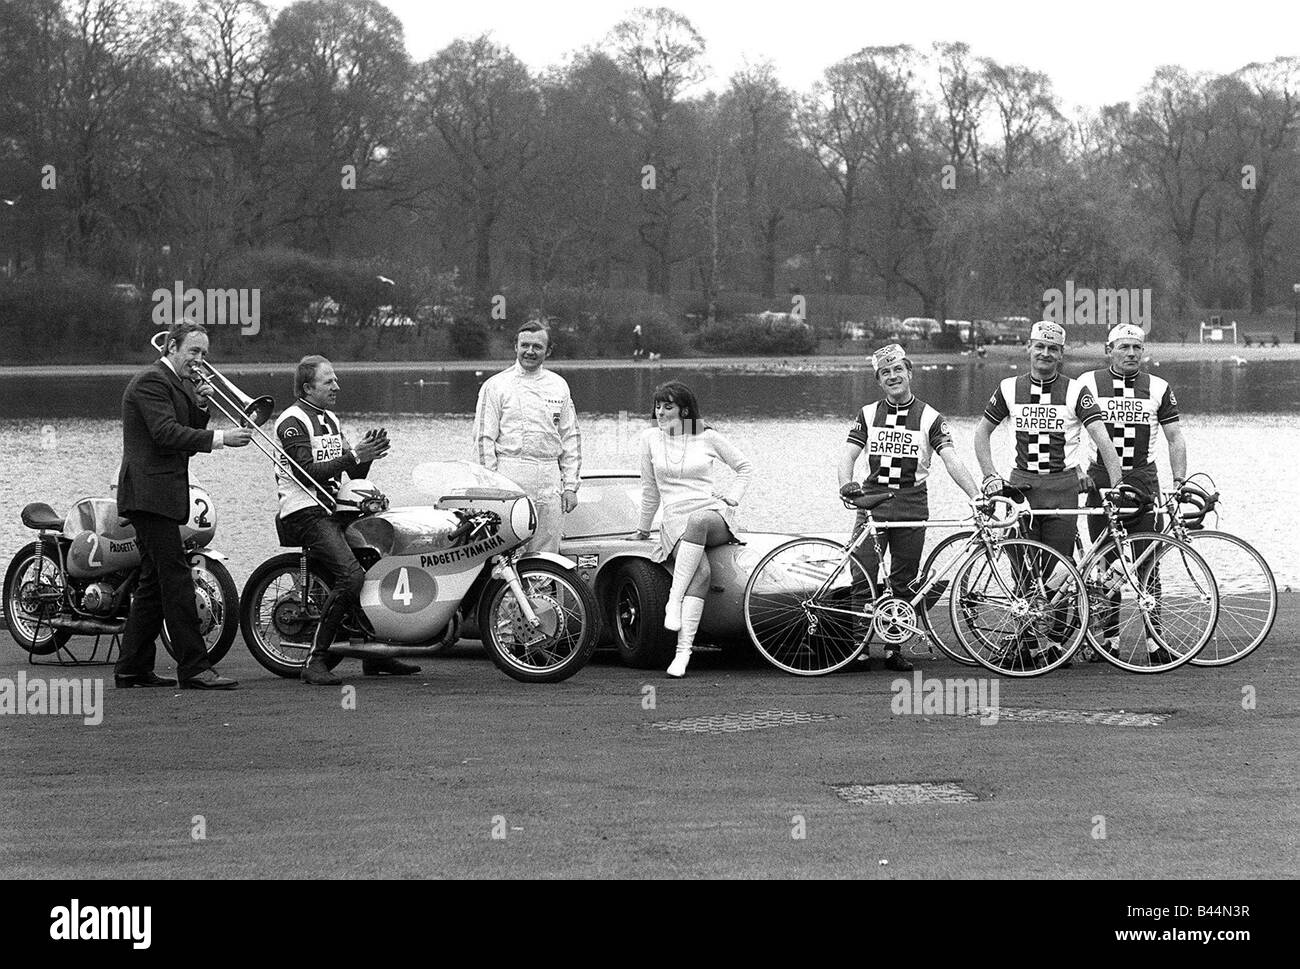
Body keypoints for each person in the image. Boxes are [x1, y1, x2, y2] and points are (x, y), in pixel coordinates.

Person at [973, 320, 1124, 665]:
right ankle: (1025, 644)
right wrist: (989, 476)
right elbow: (981, 434)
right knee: (1022, 570)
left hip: (1061, 488)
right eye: (1039, 346)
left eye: (1053, 348)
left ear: (1061, 354)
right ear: (1029, 348)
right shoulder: (1009, 387)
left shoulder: (1075, 391)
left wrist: (1116, 486)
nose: (1045, 353)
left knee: (1060, 571)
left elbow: (1103, 440)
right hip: (1019, 488)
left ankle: (1056, 647)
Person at [114, 322, 252, 690]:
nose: (200, 360)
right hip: (148, 495)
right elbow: (166, 434)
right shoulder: (151, 381)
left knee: (153, 583)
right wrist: (223, 438)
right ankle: (194, 667)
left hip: (158, 495)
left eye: (204, 353)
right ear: (172, 347)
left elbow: (185, 436)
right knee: (175, 579)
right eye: (193, 352)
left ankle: (131, 668)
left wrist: (202, 403)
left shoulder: (175, 384)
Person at [837, 344, 981, 671]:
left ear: (910, 372)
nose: (893, 376)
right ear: (879, 379)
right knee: (863, 574)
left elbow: (951, 459)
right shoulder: (868, 413)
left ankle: (892, 648)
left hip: (911, 502)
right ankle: (857, 649)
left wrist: (975, 495)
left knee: (904, 579)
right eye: (885, 373)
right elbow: (848, 454)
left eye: (898, 370)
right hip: (872, 501)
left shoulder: (931, 417)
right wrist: (847, 484)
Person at [273, 355, 416, 685]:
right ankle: (315, 660)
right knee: (351, 577)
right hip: (303, 511)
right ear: (308, 388)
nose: (337, 385)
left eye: (335, 379)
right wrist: (353, 455)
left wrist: (367, 457)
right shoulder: (292, 421)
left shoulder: (330, 419)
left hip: (333, 507)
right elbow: (307, 474)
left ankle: (374, 655)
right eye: (329, 381)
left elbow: (348, 472)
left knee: (378, 561)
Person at [1077, 323, 1188, 664]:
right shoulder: (1087, 383)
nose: (1130, 354)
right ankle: (1108, 642)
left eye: (1136, 348)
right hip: (1101, 481)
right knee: (1105, 561)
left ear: (1143, 351)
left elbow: (1174, 437)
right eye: (1123, 347)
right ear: (1108, 349)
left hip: (1142, 480)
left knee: (1147, 563)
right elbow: (1066, 429)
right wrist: (1076, 470)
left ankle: (1155, 642)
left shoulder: (1158, 386)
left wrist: (1179, 481)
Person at [632, 381, 753, 678]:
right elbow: (650, 491)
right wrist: (643, 528)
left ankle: (673, 601)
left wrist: (733, 497)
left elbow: (745, 468)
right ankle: (683, 653)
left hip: (712, 515)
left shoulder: (706, 435)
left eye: (668, 407)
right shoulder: (649, 439)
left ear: (684, 410)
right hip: (674, 519)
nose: (660, 412)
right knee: (701, 574)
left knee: (698, 521)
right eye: (658, 406)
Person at [473, 321, 582, 552]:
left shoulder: (559, 386)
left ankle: (542, 589)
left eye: (537, 347)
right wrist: (490, 487)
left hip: (550, 477)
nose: (530, 351)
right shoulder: (496, 386)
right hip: (510, 475)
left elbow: (570, 437)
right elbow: (483, 441)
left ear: (548, 351)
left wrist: (571, 486)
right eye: (525, 345)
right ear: (516, 346)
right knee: (509, 553)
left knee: (547, 553)